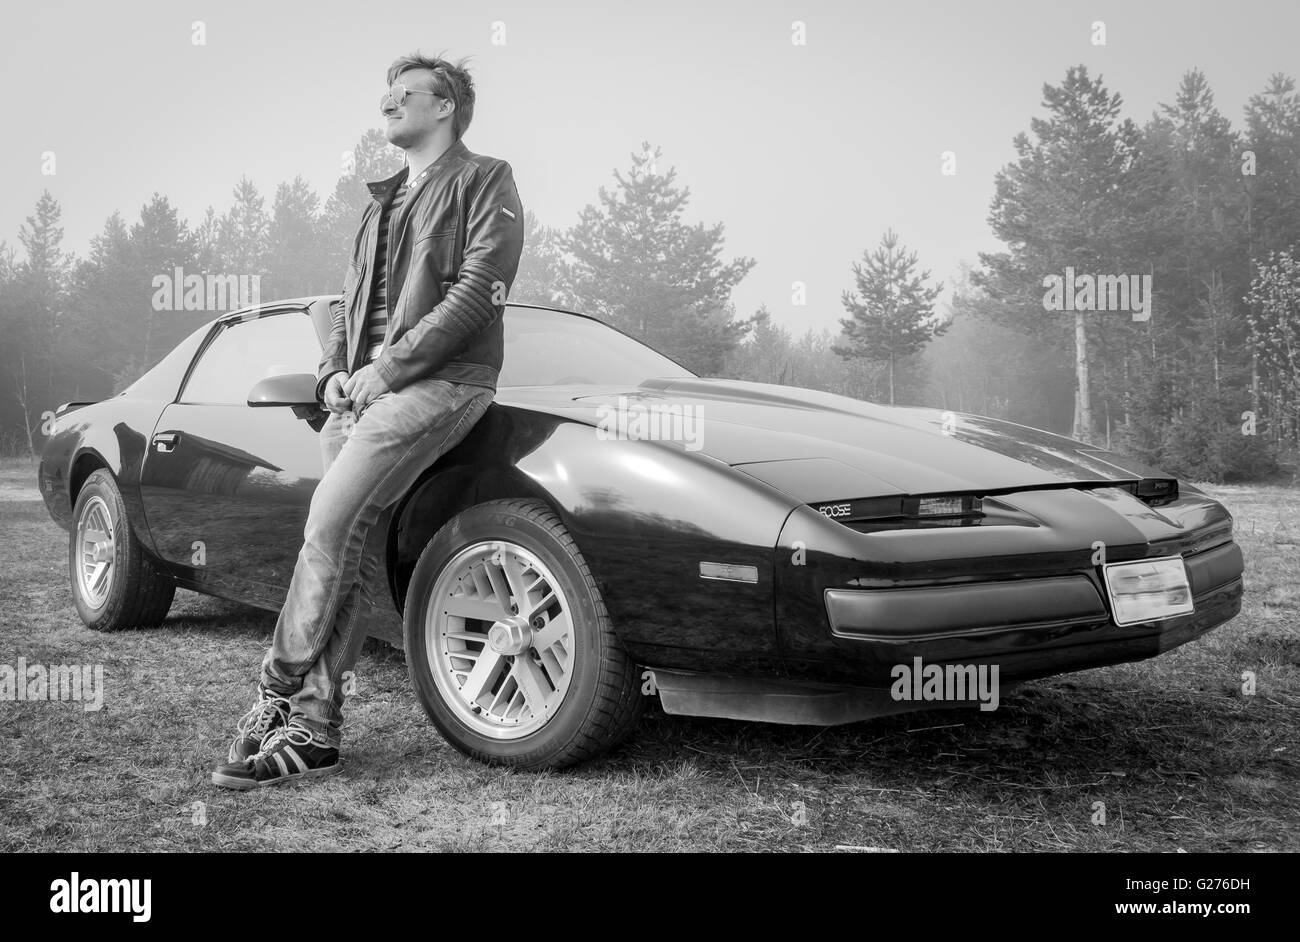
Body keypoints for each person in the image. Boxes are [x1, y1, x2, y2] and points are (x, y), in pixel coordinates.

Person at [212, 51, 525, 789]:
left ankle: (272, 694)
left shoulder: (486, 180)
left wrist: (387, 370)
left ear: (445, 106)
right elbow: (342, 309)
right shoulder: (378, 205)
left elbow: (482, 290)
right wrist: (333, 372)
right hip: (360, 398)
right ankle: (316, 733)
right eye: (384, 92)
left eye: (404, 92)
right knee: (345, 542)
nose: (386, 101)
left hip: (439, 384)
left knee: (326, 528)